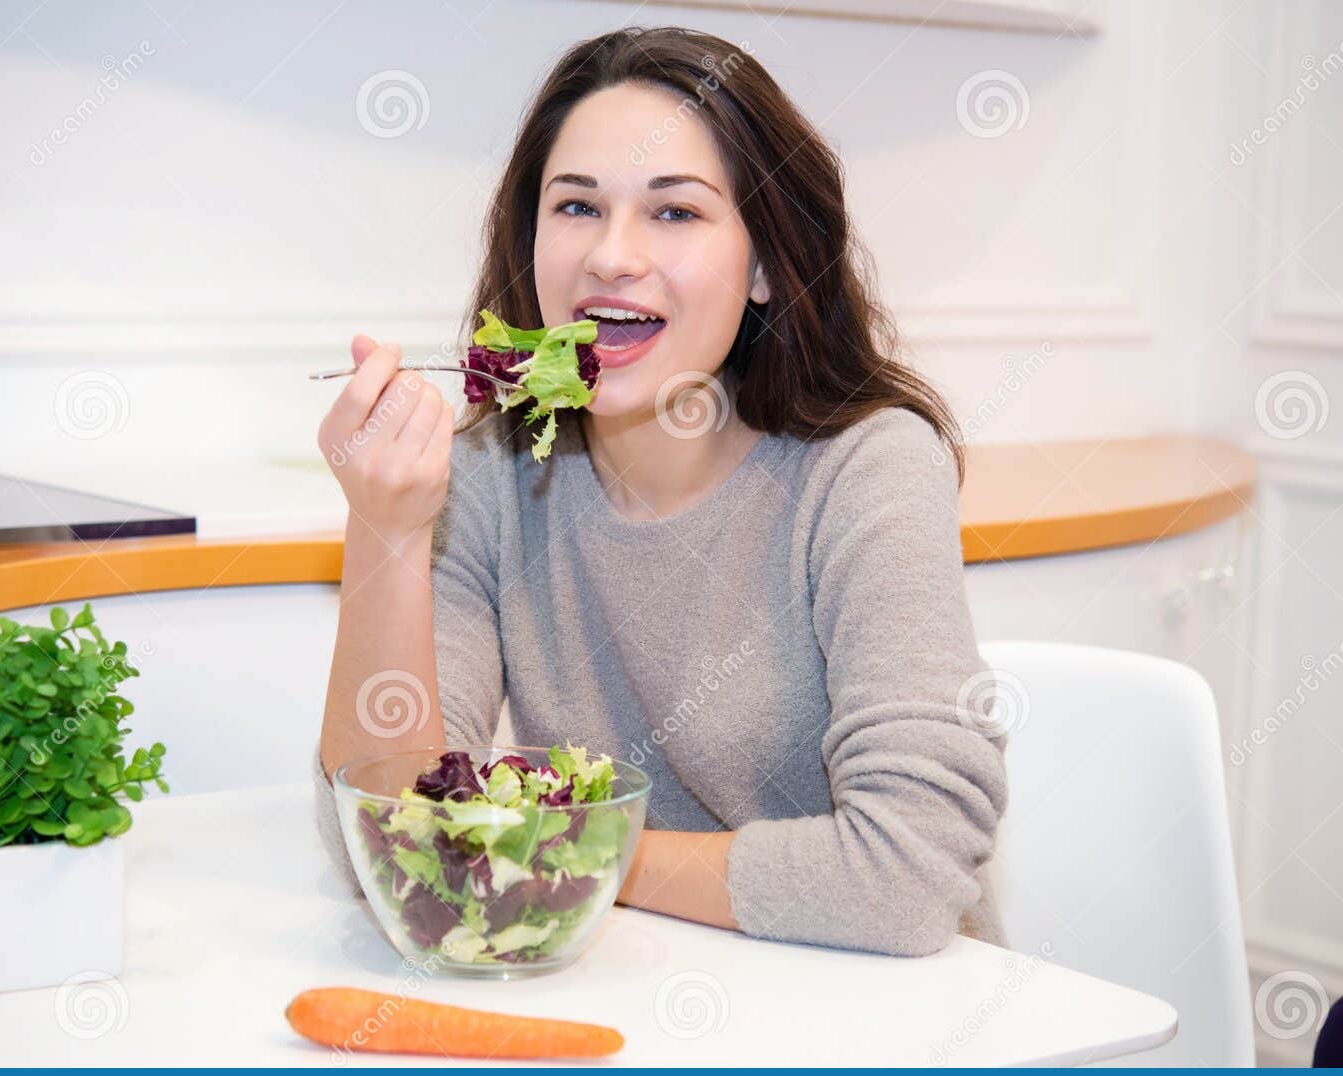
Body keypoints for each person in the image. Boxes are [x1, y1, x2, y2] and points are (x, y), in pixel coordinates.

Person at [312, 26, 1007, 957]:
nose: (612, 256)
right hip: (636, 1001)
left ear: (764, 265)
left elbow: (906, 878)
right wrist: (386, 532)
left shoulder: (868, 469)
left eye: (674, 213)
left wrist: (570, 855)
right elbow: (386, 843)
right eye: (576, 207)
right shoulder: (488, 477)